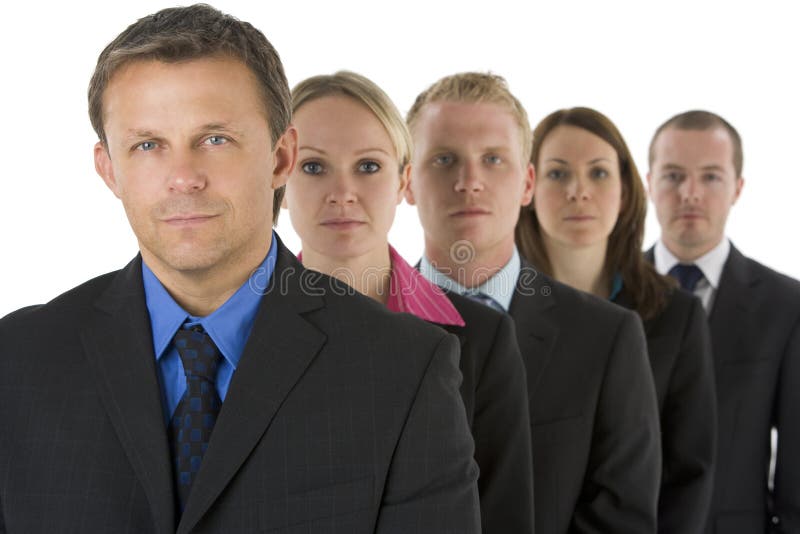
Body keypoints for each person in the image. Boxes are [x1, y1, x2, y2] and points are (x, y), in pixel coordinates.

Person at [0, 6, 481, 533]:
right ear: (109, 169)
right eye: (147, 145)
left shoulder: (405, 368)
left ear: (280, 158)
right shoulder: (18, 361)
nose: (183, 177)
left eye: (215, 139)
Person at [405, 72, 662, 534]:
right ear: (407, 181)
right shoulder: (364, 323)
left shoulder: (606, 337)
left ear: (527, 184)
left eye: (493, 159)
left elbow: (621, 517)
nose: (469, 181)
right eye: (444, 159)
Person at [282, 70, 534, 533]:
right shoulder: (234, 329)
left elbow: (504, 515)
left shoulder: (484, 339)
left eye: (368, 166)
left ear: (404, 182)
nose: (343, 193)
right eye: (313, 167)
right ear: (278, 178)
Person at [516, 106, 717, 533]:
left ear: (625, 191)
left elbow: (688, 474)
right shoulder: (499, 310)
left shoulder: (676, 315)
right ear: (527, 187)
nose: (579, 191)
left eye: (599, 173)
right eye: (557, 173)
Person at [646, 110, 800, 534]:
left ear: (738, 188)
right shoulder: (607, 295)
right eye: (673, 175)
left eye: (711, 177)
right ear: (648, 183)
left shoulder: (786, 306)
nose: (690, 193)